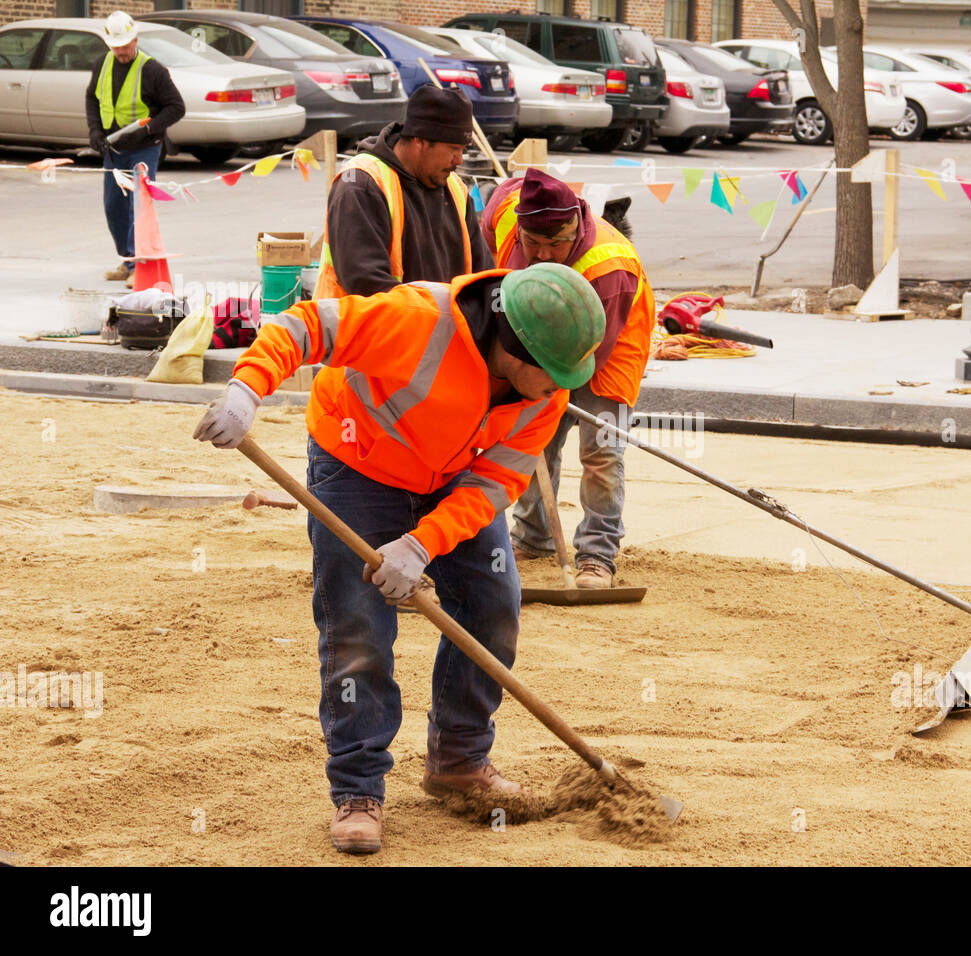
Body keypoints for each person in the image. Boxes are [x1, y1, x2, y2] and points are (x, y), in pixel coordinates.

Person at [192, 263, 604, 855]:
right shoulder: (415, 321)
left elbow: (494, 483)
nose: (560, 388)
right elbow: (305, 325)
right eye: (553, 374)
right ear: (513, 346)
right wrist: (245, 390)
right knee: (358, 623)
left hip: (452, 475)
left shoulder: (547, 389)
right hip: (358, 463)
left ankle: (459, 760)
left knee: (493, 601)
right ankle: (358, 789)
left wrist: (422, 543)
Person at [483, 169, 655, 589]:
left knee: (601, 449)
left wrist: (546, 386)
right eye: (532, 243)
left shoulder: (610, 266)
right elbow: (492, 223)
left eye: (555, 243)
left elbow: (590, 354)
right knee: (535, 440)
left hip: (607, 345)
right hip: (538, 329)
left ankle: (598, 553)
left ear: (576, 225)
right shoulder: (506, 215)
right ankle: (534, 535)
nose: (542, 254)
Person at [315, 85, 491, 298]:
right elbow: (366, 284)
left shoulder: (456, 190)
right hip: (366, 329)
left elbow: (484, 275)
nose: (460, 160)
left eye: (463, 150)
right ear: (420, 141)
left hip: (436, 328)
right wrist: (440, 313)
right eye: (454, 149)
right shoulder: (361, 184)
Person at [85, 11, 185, 287]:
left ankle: (139, 266)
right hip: (113, 149)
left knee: (137, 208)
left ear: (136, 40)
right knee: (113, 206)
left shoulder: (153, 70)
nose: (122, 52)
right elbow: (92, 99)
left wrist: (151, 127)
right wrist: (95, 131)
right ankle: (127, 259)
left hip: (144, 149)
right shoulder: (101, 65)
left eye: (126, 46)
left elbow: (176, 108)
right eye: (116, 47)